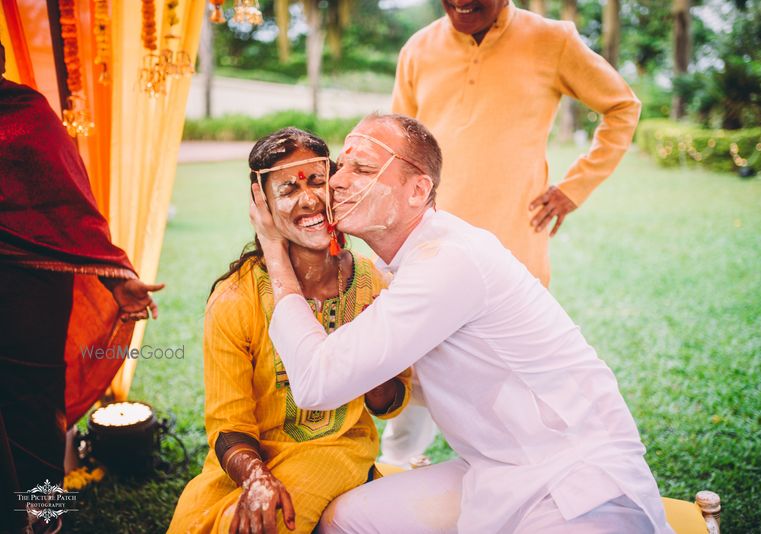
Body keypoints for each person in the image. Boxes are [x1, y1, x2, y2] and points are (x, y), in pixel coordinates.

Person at [249, 114, 673, 533]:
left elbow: (316, 382)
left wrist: (274, 253)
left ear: (418, 191)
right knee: (346, 521)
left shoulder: (448, 260)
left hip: (577, 478)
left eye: (362, 169)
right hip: (493, 472)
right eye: (341, 167)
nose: (337, 182)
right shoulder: (399, 261)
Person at [385, 0, 643, 469]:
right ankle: (395, 476)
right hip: (428, 243)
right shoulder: (418, 49)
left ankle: (531, 485)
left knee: (514, 392)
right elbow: (396, 144)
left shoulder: (553, 40)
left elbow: (622, 106)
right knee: (412, 374)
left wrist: (574, 187)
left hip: (513, 251)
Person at [168, 128, 411, 534]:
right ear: (260, 204)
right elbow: (228, 424)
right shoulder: (236, 298)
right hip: (250, 461)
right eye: (288, 189)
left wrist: (374, 360)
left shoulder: (373, 284)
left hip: (337, 449)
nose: (310, 199)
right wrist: (256, 477)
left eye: (318, 180)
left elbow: (390, 403)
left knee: (268, 523)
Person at [0, 41, 164, 533]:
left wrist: (116, 277)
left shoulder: (28, 113)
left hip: (28, 290)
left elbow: (69, 208)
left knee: (35, 410)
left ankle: (48, 520)